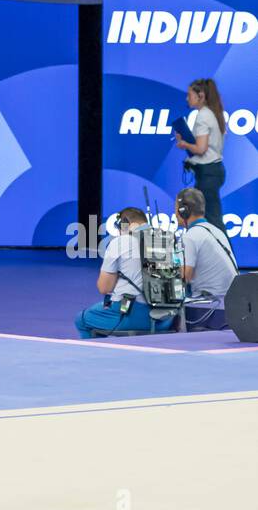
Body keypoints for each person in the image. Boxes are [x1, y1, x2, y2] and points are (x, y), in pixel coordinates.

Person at [74, 207, 175, 338]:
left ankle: (97, 356)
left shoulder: (120, 242)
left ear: (124, 224)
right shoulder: (167, 239)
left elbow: (104, 288)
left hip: (131, 316)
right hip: (165, 318)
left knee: (81, 320)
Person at [175, 78, 227, 230]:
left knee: (213, 219)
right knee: (212, 218)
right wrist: (186, 140)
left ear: (201, 96)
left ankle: (226, 253)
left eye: (189, 94)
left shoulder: (203, 115)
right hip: (212, 172)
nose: (187, 98)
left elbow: (201, 149)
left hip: (208, 174)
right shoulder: (212, 113)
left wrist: (185, 144)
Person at [175, 187, 238, 311]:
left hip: (211, 305)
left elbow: (183, 277)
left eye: (176, 209)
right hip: (230, 303)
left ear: (184, 211)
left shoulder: (190, 236)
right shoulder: (216, 231)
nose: (175, 214)